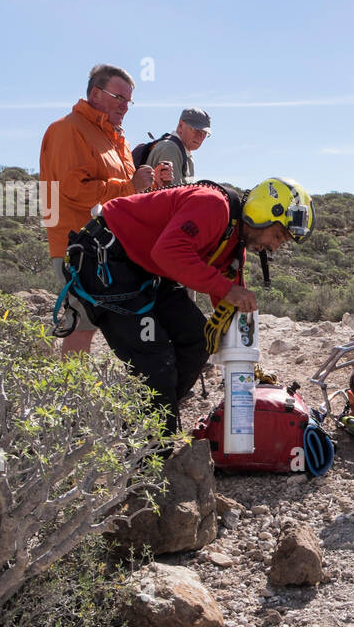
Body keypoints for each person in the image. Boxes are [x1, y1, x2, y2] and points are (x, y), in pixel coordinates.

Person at [58, 178, 313, 436]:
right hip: (108, 259)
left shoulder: (233, 246)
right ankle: (149, 455)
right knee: (155, 360)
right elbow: (168, 253)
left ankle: (142, 424)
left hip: (145, 269)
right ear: (264, 213)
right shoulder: (212, 206)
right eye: (278, 235)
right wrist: (227, 290)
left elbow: (230, 306)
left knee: (197, 339)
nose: (275, 247)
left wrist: (247, 361)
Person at [39, 64, 174, 357]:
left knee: (105, 321)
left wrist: (153, 185)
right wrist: (130, 184)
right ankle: (69, 396)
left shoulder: (115, 138)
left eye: (129, 100)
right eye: (119, 97)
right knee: (82, 322)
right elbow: (72, 189)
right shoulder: (67, 129)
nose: (126, 106)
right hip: (76, 244)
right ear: (96, 93)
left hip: (107, 247)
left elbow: (127, 195)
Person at [143, 107, 211, 188]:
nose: (200, 136)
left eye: (204, 133)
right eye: (196, 130)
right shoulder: (171, 149)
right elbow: (173, 196)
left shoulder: (182, 151)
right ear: (180, 126)